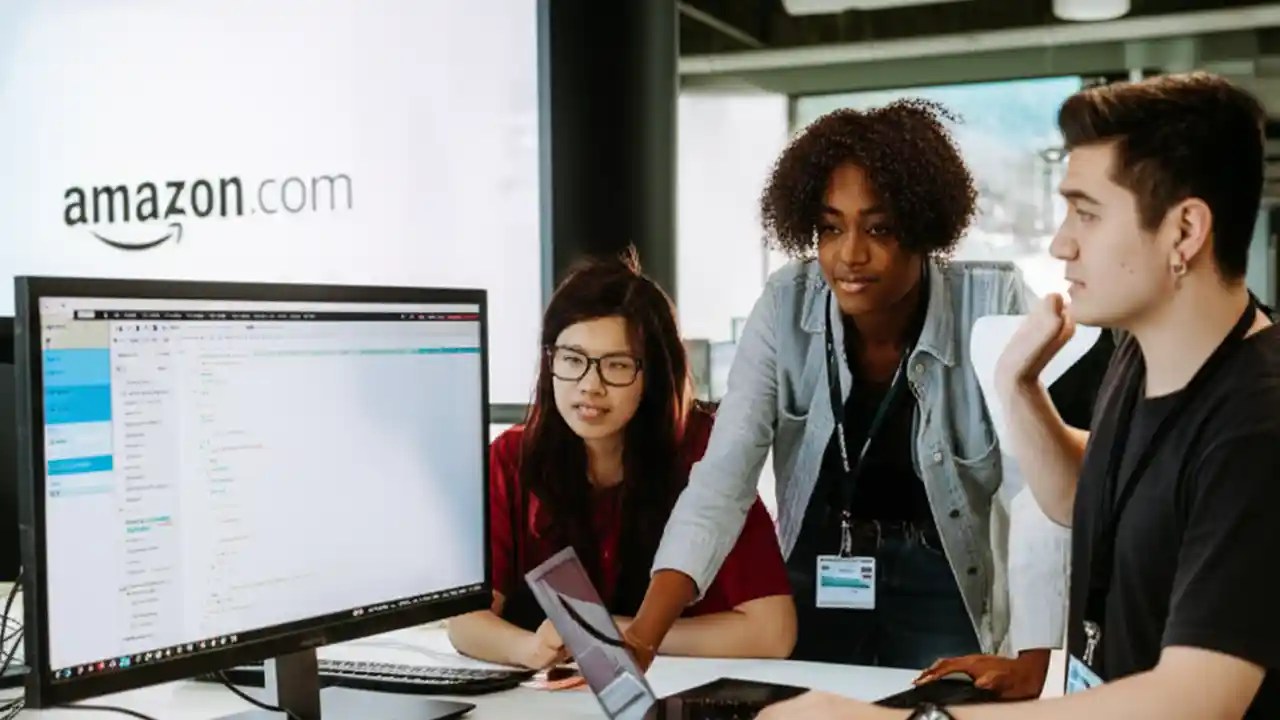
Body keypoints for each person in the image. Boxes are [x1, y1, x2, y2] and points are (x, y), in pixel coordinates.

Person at [758, 71, 1280, 720]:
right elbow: (1087, 498)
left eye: (1086, 212)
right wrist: (1018, 385)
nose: (1062, 242)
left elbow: (1191, 700)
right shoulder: (1146, 360)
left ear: (1185, 232)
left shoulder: (1257, 424)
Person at [623, 99, 1070, 696]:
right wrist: (644, 637)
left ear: (924, 227)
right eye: (831, 228)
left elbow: (1038, 494)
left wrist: (1036, 660)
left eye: (879, 228)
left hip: (941, 578)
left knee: (929, 712)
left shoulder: (991, 305)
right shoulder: (786, 306)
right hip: (816, 568)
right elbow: (722, 479)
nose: (849, 255)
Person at [446, 251, 796, 669]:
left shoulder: (705, 456)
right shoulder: (512, 459)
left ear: (653, 377)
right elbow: (465, 619)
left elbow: (773, 632)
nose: (590, 386)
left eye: (616, 365)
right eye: (572, 360)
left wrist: (612, 631)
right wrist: (529, 650)